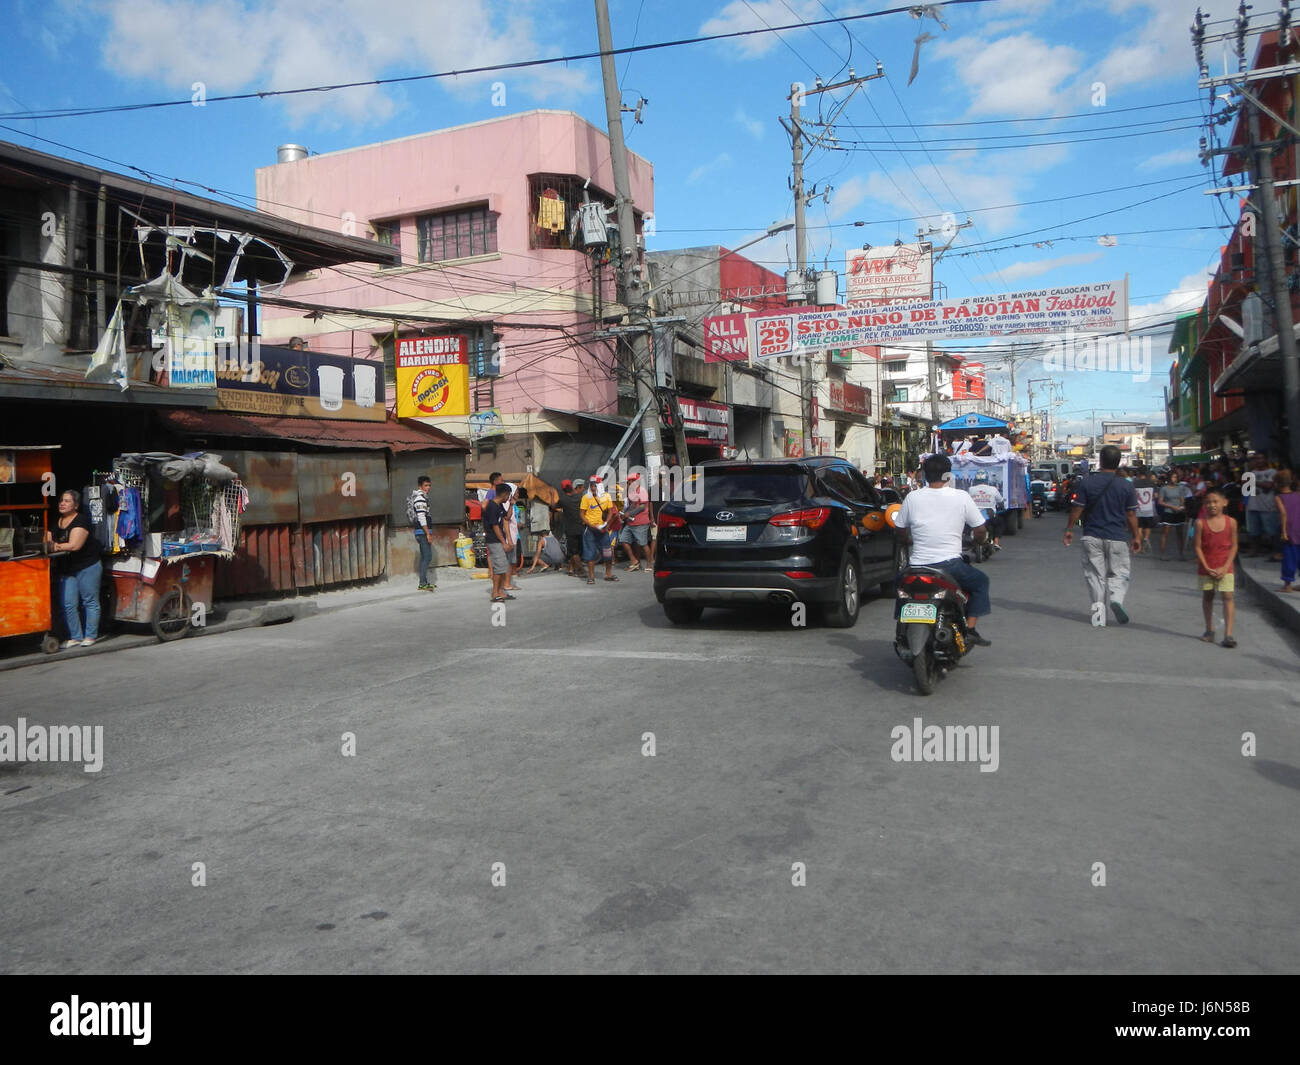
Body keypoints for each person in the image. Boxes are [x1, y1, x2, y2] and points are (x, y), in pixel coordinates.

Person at [893, 453, 993, 646]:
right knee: (981, 582)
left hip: (916, 566)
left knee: (899, 587)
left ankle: (901, 623)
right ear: (948, 476)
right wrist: (979, 542)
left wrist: (908, 540)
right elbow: (980, 529)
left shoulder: (912, 498)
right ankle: (970, 629)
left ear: (924, 475)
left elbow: (900, 530)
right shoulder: (961, 497)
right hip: (949, 566)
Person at [1063, 444, 1141, 626]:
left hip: (1092, 536)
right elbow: (1131, 514)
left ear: (1100, 461)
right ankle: (1116, 599)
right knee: (1119, 572)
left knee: (1094, 575)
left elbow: (1077, 508)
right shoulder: (1126, 485)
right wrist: (1136, 536)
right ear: (1119, 462)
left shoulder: (1087, 482)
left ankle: (1099, 613)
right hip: (1118, 537)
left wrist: (1069, 529)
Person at [45, 489, 103, 648]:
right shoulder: (57, 521)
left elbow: (75, 545)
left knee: (89, 601)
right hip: (67, 568)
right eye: (61, 500)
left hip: (87, 565)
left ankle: (90, 636)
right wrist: (51, 544)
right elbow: (47, 540)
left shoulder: (81, 521)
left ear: (76, 505)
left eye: (67, 501)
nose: (62, 503)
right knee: (68, 604)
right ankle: (75, 637)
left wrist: (56, 546)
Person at [1193, 488, 1238, 647]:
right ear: (1204, 505)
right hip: (1207, 567)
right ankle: (1209, 629)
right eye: (1208, 502)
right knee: (1208, 596)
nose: (1211, 505)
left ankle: (1228, 634)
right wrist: (1206, 566)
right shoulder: (1200, 523)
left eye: (1215, 501)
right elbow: (1198, 547)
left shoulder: (1231, 522)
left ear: (1224, 503)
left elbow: (1233, 546)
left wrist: (1225, 567)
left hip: (1226, 567)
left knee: (1228, 597)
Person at [580, 475, 616, 584]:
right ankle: (591, 576)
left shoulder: (607, 496)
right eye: (591, 485)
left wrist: (606, 524)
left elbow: (611, 511)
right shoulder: (586, 497)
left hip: (603, 530)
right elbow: (582, 514)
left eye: (594, 485)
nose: (592, 488)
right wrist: (591, 525)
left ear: (599, 486)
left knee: (607, 553)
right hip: (590, 530)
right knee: (590, 554)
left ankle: (608, 574)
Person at [1243, 453, 1279, 559]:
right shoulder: (1251, 473)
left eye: (1261, 458)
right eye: (1256, 459)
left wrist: (1251, 481)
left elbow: (1268, 486)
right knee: (1253, 530)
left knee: (1272, 531)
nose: (1258, 461)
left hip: (1268, 505)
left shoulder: (1272, 472)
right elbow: (1246, 489)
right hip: (1253, 505)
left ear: (1266, 460)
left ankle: (1275, 551)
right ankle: (1254, 550)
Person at [483, 483, 514, 604]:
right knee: (499, 568)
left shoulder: (499, 505)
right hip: (494, 540)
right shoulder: (492, 506)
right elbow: (495, 526)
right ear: (505, 494)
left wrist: (511, 505)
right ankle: (495, 593)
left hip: (498, 540)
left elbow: (507, 517)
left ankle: (500, 591)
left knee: (502, 567)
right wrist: (504, 542)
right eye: (508, 495)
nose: (508, 498)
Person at [619, 471, 653, 571]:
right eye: (628, 482)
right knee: (623, 540)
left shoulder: (642, 491)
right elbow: (632, 505)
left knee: (643, 544)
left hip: (640, 523)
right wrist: (624, 514)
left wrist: (629, 514)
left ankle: (649, 565)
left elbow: (642, 507)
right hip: (630, 522)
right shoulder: (630, 492)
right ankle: (634, 561)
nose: (629, 483)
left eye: (631, 481)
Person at [407, 476, 436, 591]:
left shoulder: (422, 497)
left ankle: (424, 582)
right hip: (422, 532)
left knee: (425, 557)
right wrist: (427, 534)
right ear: (420, 486)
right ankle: (422, 583)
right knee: (427, 557)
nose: (428, 488)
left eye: (429, 485)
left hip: (422, 532)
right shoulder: (420, 498)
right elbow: (421, 517)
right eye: (426, 485)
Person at [1157, 470, 1191, 561]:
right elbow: (1160, 501)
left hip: (1178, 512)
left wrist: (1182, 506)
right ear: (1169, 478)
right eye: (1173, 477)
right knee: (1165, 533)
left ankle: (1181, 554)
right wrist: (1171, 506)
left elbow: (1182, 499)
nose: (1174, 479)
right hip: (1168, 512)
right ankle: (1163, 553)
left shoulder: (1180, 488)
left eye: (1176, 477)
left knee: (1180, 534)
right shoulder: (1164, 488)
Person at [555, 478, 586, 577]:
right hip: (581, 527)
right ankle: (571, 569)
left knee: (574, 551)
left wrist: (552, 497)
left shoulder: (563, 500)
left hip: (570, 529)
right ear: (572, 487)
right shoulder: (579, 497)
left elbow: (554, 506)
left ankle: (580, 570)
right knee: (577, 550)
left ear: (563, 489)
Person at [966, 472, 1004, 551]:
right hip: (989, 515)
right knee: (1000, 522)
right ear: (987, 479)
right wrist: (1002, 506)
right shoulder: (993, 489)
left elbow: (966, 501)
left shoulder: (971, 489)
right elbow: (1000, 500)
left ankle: (967, 539)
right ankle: (996, 542)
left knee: (966, 524)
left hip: (975, 515)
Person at [1276, 470, 1300, 592]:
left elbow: (1283, 514)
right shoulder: (1298, 494)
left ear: (1277, 483)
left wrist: (1284, 532)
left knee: (1289, 557)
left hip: (1290, 530)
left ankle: (1287, 585)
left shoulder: (1279, 497)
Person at [1132, 465, 1159, 554]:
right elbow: (1155, 496)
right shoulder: (1152, 483)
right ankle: (1146, 538)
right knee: (1147, 526)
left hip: (1138, 510)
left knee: (1139, 527)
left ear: (1138, 473)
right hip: (1149, 509)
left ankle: (1139, 547)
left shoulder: (1134, 483)